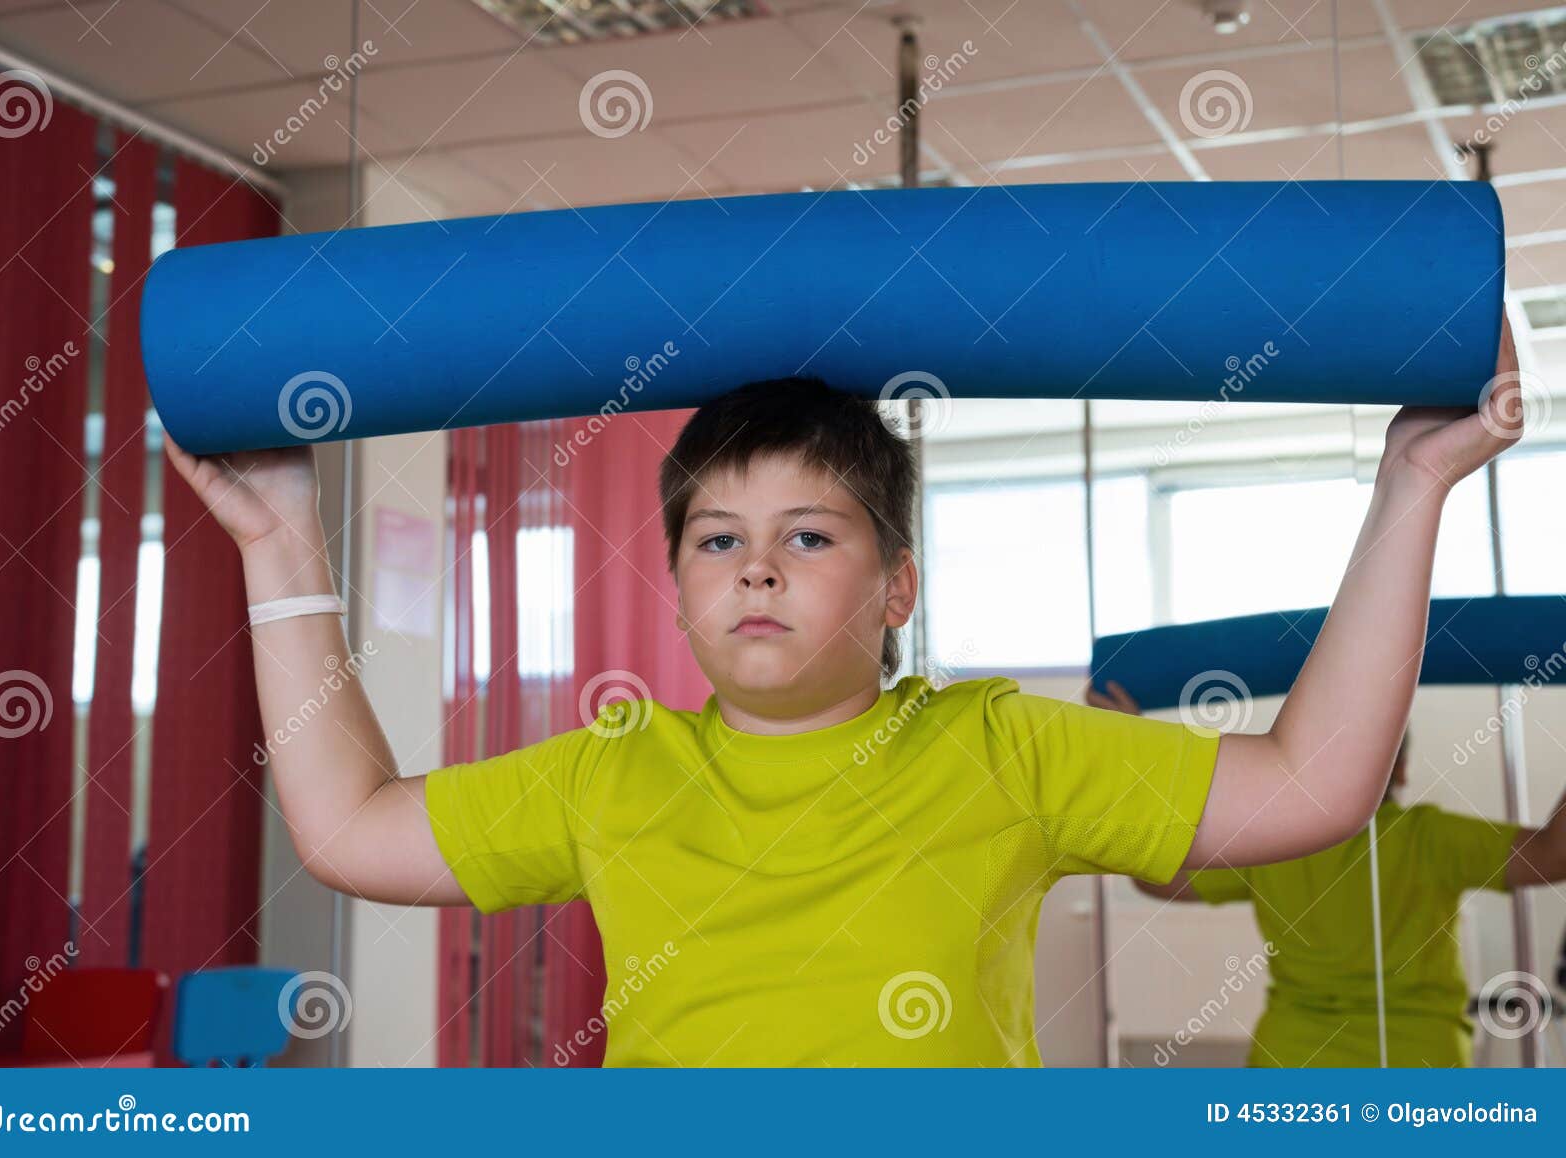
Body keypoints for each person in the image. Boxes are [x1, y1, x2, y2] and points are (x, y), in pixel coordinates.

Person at [163, 317, 1521, 1066]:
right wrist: (280, 549)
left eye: (809, 536)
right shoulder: (610, 766)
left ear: (896, 591)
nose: (758, 567)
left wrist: (1412, 488)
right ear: (684, 588)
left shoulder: (997, 745)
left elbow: (1317, 782)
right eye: (718, 541)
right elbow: (346, 829)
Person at [1087, 677, 1566, 1067]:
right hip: (1417, 1063)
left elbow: (1157, 878)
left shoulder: (1273, 837)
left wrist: (1139, 750)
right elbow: (1551, 855)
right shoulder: (1431, 838)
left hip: (1297, 1061)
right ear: (1398, 771)